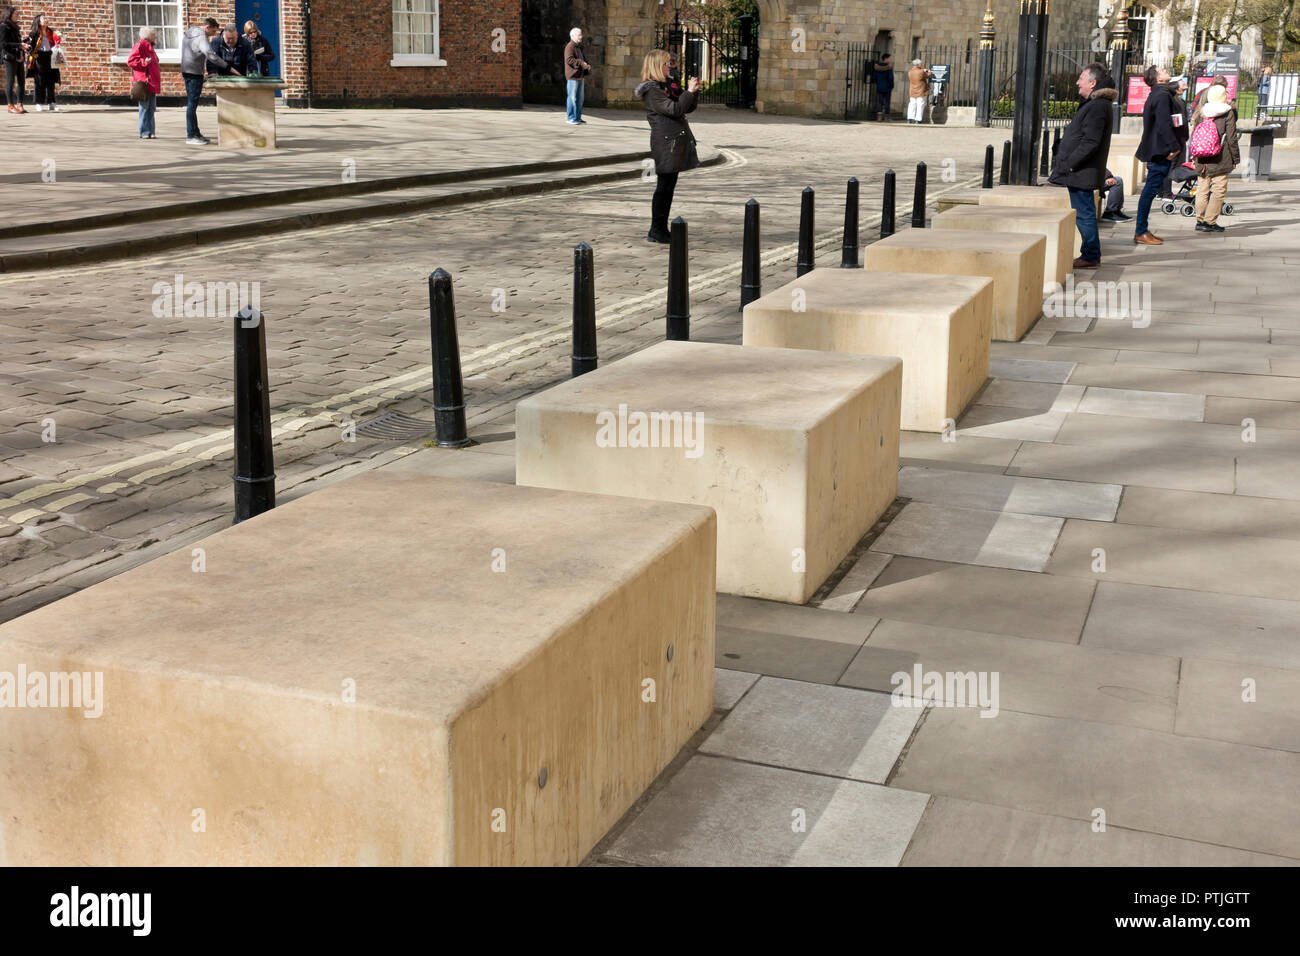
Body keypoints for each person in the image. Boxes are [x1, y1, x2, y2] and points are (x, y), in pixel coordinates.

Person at [1048, 64, 1116, 269]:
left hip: (1081, 171)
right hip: (1080, 171)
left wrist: (1070, 164)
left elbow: (1090, 142)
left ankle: (1091, 254)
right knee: (1083, 211)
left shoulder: (1097, 106)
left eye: (1081, 78)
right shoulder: (1095, 104)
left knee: (1084, 212)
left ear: (1093, 83)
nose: (1077, 82)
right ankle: (1090, 252)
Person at [634, 49, 701, 244]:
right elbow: (675, 109)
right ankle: (657, 229)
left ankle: (660, 228)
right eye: (666, 64)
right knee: (663, 187)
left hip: (674, 140)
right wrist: (688, 92)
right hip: (665, 143)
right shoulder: (653, 90)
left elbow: (687, 106)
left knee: (668, 186)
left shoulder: (668, 86)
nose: (669, 67)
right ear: (657, 66)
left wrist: (692, 92)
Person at [1133, 65, 1182, 246]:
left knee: (1150, 191)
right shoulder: (1161, 95)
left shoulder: (1160, 93)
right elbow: (1163, 123)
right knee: (1149, 192)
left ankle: (1142, 230)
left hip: (1160, 149)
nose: (1166, 70)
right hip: (1161, 150)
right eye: (1162, 70)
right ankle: (1141, 231)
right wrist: (1174, 146)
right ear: (1158, 78)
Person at [1190, 83, 1239, 233]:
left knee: (1202, 190)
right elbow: (1231, 138)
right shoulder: (1227, 112)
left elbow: (1194, 135)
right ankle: (1210, 222)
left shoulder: (1201, 111)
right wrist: (1235, 158)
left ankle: (1200, 220)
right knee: (1218, 191)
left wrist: (1193, 156)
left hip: (1202, 158)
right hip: (1220, 158)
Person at [181, 17, 222, 145]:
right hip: (194, 74)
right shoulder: (201, 35)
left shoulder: (190, 32)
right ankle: (191, 136)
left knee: (191, 104)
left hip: (186, 71)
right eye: (213, 31)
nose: (214, 35)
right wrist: (225, 65)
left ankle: (195, 132)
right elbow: (209, 54)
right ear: (207, 27)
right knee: (192, 106)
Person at [127, 25, 161, 139]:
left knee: (151, 109)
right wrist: (144, 62)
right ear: (147, 36)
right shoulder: (139, 46)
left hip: (151, 83)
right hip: (144, 83)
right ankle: (144, 132)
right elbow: (131, 61)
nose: (155, 36)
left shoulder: (150, 47)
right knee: (144, 108)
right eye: (153, 34)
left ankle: (151, 131)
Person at [25, 13, 58, 111]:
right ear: (39, 22)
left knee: (51, 80)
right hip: (39, 57)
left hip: (50, 56)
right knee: (39, 80)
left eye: (47, 18)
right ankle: (38, 102)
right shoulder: (34, 33)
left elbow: (56, 42)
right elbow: (27, 44)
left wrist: (58, 43)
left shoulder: (51, 32)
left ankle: (51, 102)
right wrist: (31, 53)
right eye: (44, 18)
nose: (46, 19)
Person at [2, 6, 29, 114]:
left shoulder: (15, 27)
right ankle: (10, 105)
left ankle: (20, 104)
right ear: (9, 15)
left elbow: (15, 43)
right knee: (10, 81)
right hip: (9, 57)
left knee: (22, 81)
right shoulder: (3, 27)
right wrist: (19, 45)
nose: (18, 16)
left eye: (18, 14)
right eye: (16, 14)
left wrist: (24, 43)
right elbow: (3, 44)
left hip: (19, 57)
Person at [564, 27, 590, 125]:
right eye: (579, 35)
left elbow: (582, 59)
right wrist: (581, 62)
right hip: (573, 77)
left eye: (581, 34)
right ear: (573, 36)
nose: (581, 36)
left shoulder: (578, 47)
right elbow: (569, 60)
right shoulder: (569, 46)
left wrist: (586, 64)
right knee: (572, 98)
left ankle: (578, 118)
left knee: (580, 99)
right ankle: (570, 118)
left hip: (580, 76)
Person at [906, 59, 931, 123]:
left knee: (912, 104)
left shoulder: (910, 72)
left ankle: (910, 118)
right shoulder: (921, 71)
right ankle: (918, 119)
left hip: (912, 91)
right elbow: (928, 75)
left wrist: (923, 70)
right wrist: (928, 71)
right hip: (920, 91)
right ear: (919, 64)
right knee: (920, 105)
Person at [873, 53, 895, 121]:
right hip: (887, 87)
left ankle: (879, 117)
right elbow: (891, 78)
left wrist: (878, 83)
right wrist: (891, 85)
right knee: (887, 102)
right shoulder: (889, 68)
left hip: (880, 87)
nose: (890, 59)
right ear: (886, 59)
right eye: (889, 58)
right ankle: (886, 117)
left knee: (879, 102)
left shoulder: (877, 67)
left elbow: (874, 77)